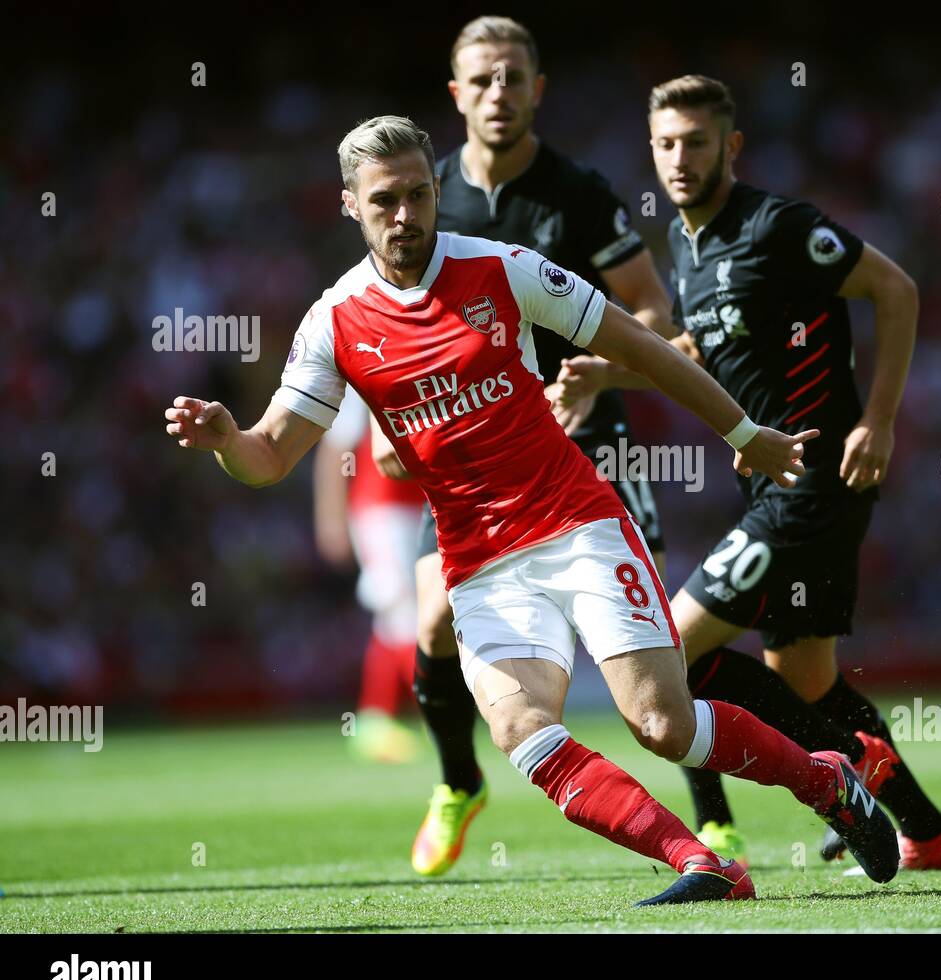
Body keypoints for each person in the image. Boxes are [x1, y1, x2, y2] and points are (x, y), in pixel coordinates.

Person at [163, 114, 899, 905]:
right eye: (385, 201)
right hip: (478, 561)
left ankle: (825, 783)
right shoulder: (334, 322)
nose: (405, 215)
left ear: (436, 189)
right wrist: (225, 438)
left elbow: (637, 342)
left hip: (576, 524)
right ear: (350, 206)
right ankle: (703, 864)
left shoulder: (504, 269)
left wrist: (744, 431)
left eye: (418, 194)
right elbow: (271, 454)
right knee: (524, 734)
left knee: (661, 724)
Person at [554, 75, 941, 871]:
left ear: (730, 147)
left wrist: (877, 420)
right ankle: (929, 832)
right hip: (772, 488)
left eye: (696, 142)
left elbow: (895, 287)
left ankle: (848, 761)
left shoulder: (778, 226)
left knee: (669, 648)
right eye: (666, 144)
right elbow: (701, 358)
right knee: (804, 675)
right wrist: (608, 373)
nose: (680, 158)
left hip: (813, 483)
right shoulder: (687, 244)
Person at [369, 16, 676, 878]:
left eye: (514, 78)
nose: (499, 92)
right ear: (456, 94)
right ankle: (461, 782)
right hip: (476, 464)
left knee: (665, 639)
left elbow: (653, 315)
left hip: (585, 444)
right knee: (428, 620)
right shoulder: (422, 200)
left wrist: (595, 375)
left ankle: (715, 818)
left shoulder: (578, 193)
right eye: (483, 79)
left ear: (536, 90)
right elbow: (384, 326)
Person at [312, 385, 425, 763]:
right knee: (404, 612)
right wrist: (331, 517)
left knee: (399, 616)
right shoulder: (367, 371)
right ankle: (436, 712)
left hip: (423, 506)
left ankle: (376, 719)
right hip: (380, 511)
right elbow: (335, 448)